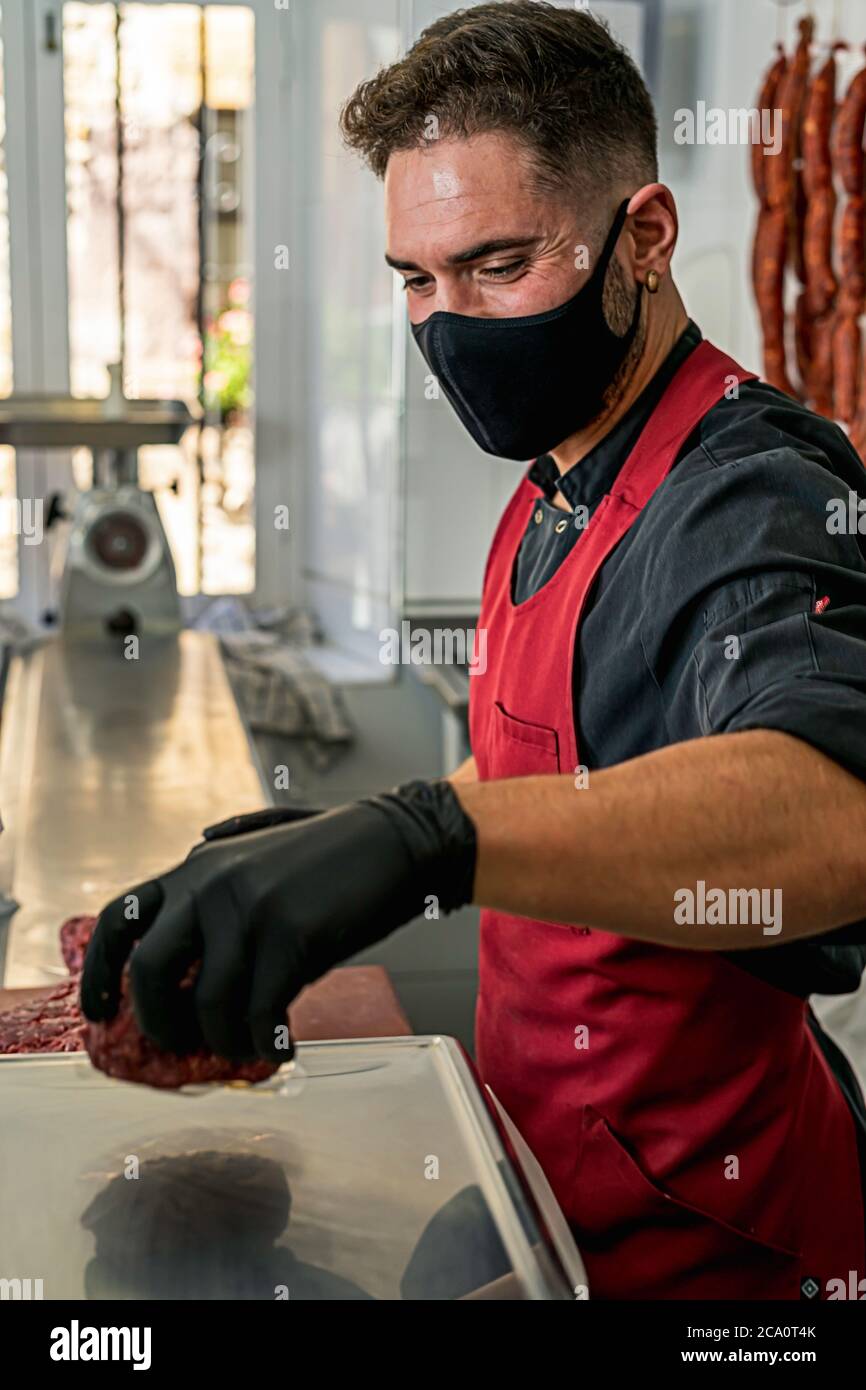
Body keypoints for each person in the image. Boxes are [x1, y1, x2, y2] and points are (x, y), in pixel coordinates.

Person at [83, 2, 866, 1299]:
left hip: (711, 1245)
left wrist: (420, 836)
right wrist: (334, 844)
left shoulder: (745, 494)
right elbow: (573, 795)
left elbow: (834, 815)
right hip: (544, 1166)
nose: (450, 324)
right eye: (414, 278)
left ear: (644, 239)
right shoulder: (550, 476)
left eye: (499, 265)